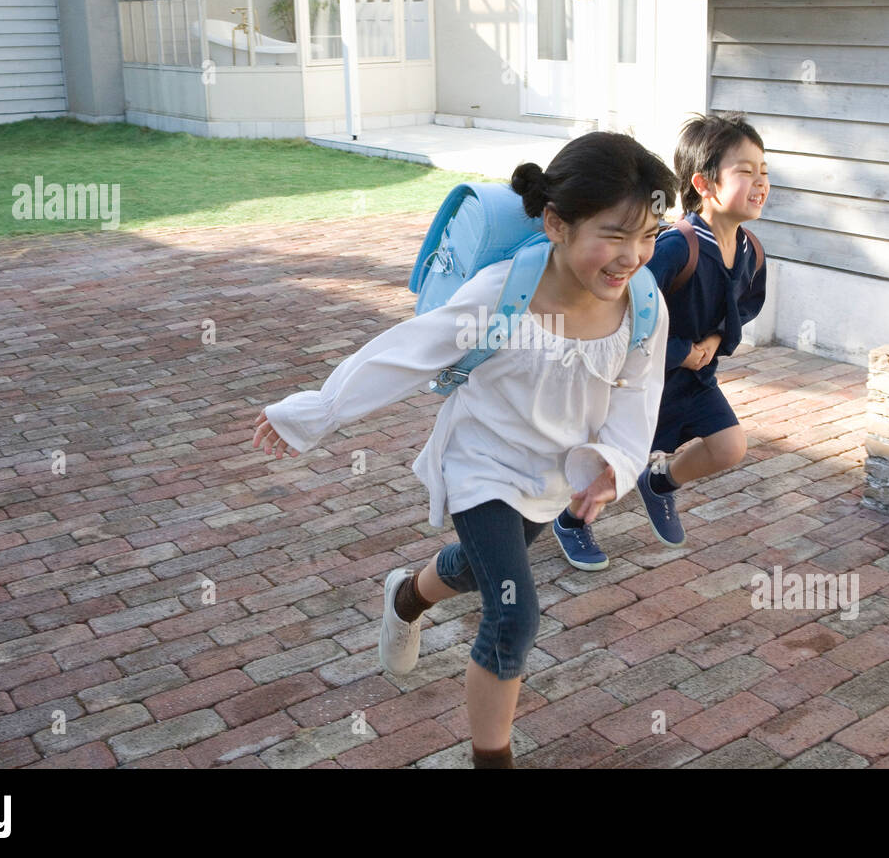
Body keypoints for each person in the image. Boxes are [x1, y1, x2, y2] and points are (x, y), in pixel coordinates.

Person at [252, 132, 676, 768]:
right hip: (480, 463)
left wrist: (616, 466)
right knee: (513, 614)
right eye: (615, 235)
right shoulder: (500, 293)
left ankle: (407, 596)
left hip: (550, 477)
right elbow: (403, 353)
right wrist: (316, 412)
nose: (633, 256)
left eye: (648, 236)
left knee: (480, 572)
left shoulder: (644, 306)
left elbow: (639, 396)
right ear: (556, 224)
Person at [552, 113, 769, 568]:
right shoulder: (676, 247)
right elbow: (625, 307)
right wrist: (678, 351)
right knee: (610, 465)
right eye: (746, 171)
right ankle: (572, 520)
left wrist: (712, 337)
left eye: (764, 171)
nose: (761, 182)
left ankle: (661, 483)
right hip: (640, 380)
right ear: (704, 184)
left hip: (693, 381)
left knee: (729, 446)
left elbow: (747, 302)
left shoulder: (750, 248)